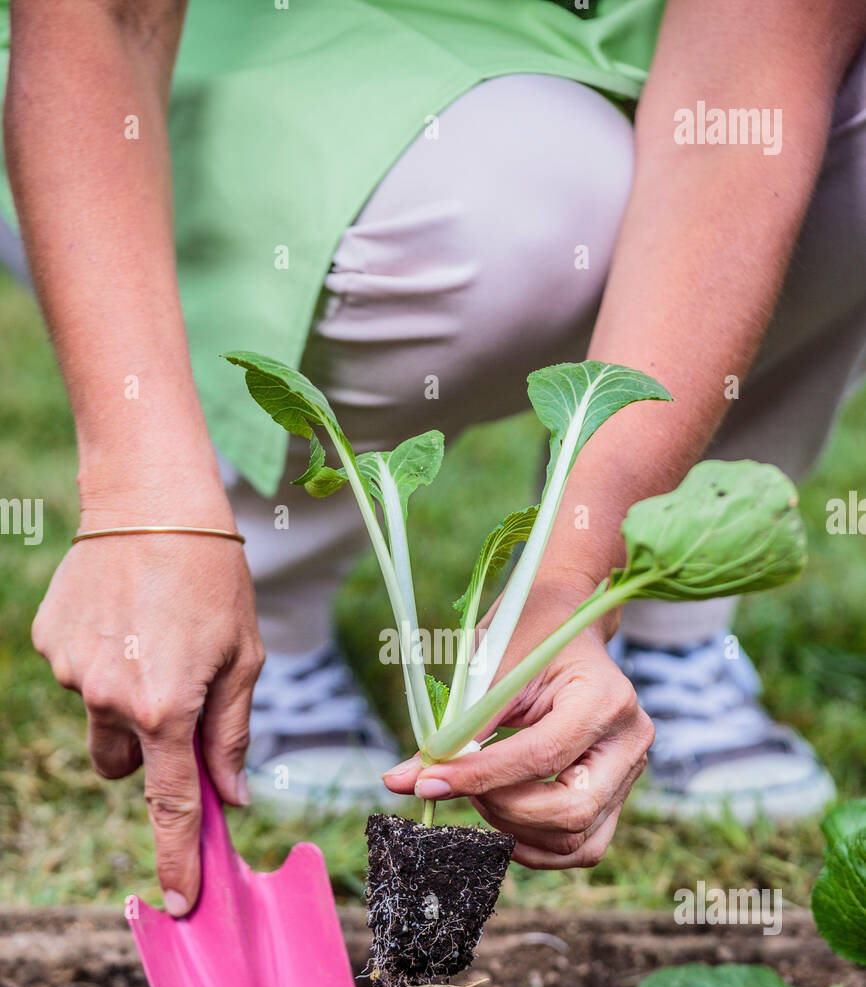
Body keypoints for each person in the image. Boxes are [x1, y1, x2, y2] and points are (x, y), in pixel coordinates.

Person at [2, 0, 865, 917]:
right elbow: (105, 17)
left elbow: (748, 88)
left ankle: (654, 627)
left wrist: (572, 577)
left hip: (614, 36)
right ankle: (267, 598)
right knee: (531, 191)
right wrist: (147, 503)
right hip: (211, 61)